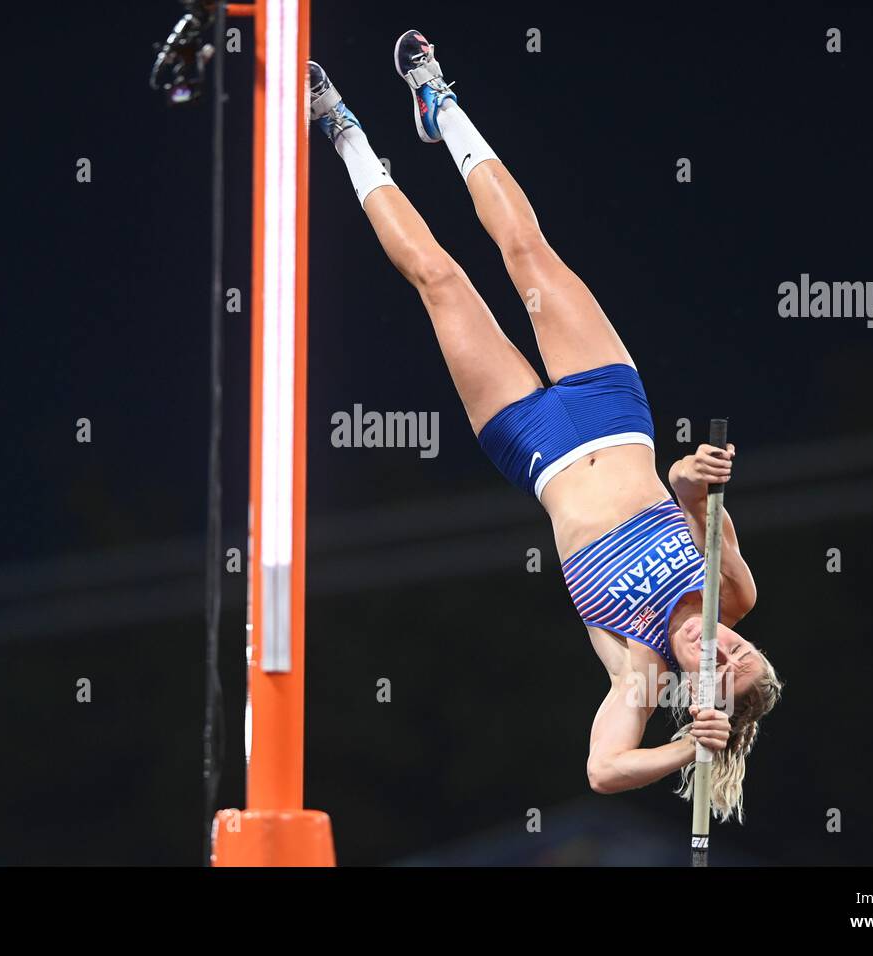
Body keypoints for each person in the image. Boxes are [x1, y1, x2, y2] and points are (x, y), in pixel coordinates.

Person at [309, 31, 781, 822]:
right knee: (527, 249)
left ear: (695, 690)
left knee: (440, 281)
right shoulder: (730, 591)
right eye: (742, 649)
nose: (725, 646)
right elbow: (683, 490)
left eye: (720, 669)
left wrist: (688, 750)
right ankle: (441, 107)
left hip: (531, 443)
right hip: (611, 407)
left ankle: (341, 127)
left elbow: (602, 769)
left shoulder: (637, 670)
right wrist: (698, 476)